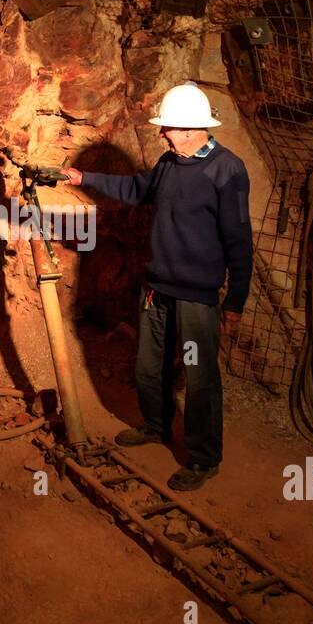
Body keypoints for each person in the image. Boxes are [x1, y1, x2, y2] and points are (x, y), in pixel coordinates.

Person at [63, 82, 254, 491]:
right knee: (149, 365)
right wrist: (84, 177)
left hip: (196, 296)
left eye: (167, 128)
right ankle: (156, 425)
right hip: (157, 287)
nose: (161, 133)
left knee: (199, 375)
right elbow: (135, 189)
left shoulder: (227, 169)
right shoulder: (169, 164)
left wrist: (234, 300)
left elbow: (239, 239)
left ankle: (203, 458)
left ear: (188, 129)